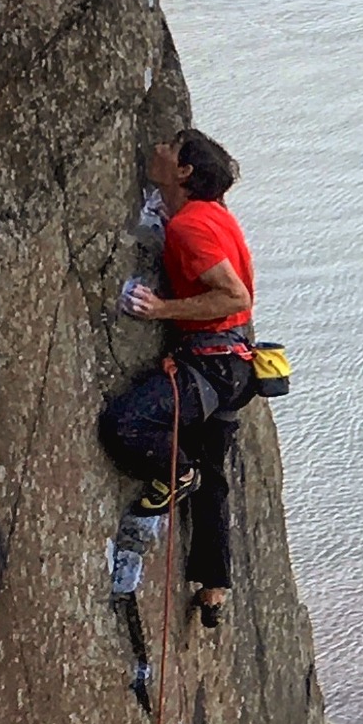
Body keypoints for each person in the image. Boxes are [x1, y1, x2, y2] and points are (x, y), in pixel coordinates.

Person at [98, 129, 259, 627]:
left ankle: (175, 473)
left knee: (125, 426)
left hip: (210, 365)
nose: (158, 147)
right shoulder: (210, 216)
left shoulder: (192, 225)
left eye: (170, 145)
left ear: (185, 171)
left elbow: (234, 296)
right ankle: (214, 587)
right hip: (231, 364)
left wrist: (163, 309)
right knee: (214, 479)